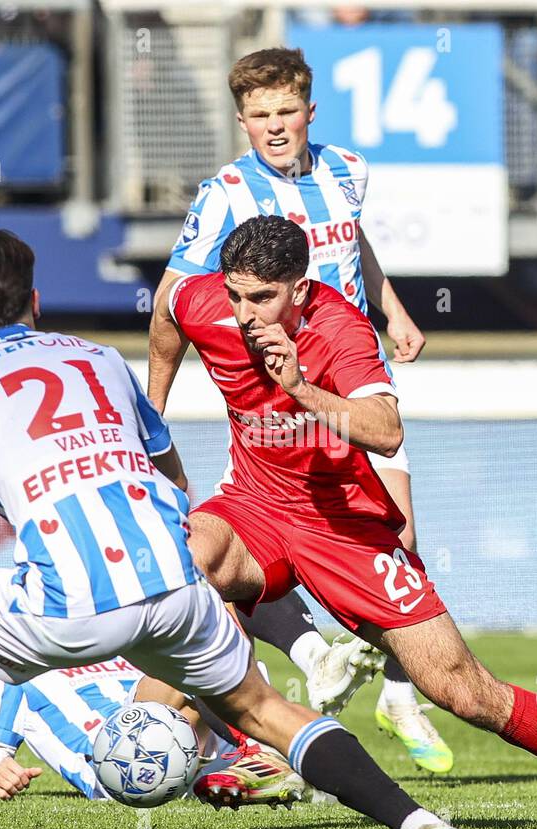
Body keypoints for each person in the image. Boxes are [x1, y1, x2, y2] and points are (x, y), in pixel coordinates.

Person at [0, 229, 481, 829]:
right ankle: (421, 826)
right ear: (35, 301)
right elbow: (168, 468)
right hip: (181, 587)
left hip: (73, 612)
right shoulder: (100, 361)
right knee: (261, 709)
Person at [161, 215, 537, 829]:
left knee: (462, 691)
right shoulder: (203, 299)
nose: (243, 313)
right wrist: (152, 422)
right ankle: (250, 746)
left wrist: (300, 389)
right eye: (236, 295)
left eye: (261, 298)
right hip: (255, 505)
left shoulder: (340, 328)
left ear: (299, 288)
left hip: (344, 526)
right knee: (181, 570)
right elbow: (168, 317)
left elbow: (385, 429)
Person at [148, 47, 453, 773]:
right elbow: (171, 301)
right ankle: (292, 679)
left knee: (399, 540)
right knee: (260, 558)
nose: (275, 127)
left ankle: (400, 694)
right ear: (242, 120)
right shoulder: (224, 193)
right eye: (259, 116)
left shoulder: (349, 169)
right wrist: (152, 412)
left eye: (286, 112)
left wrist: (393, 311)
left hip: (349, 387)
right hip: (274, 406)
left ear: (309, 111)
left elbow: (355, 243)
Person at [0, 659, 308, 810]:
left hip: (210, 746)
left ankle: (297, 763)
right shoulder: (11, 667)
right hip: (124, 767)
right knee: (200, 655)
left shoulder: (125, 639)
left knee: (224, 655)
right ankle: (262, 749)